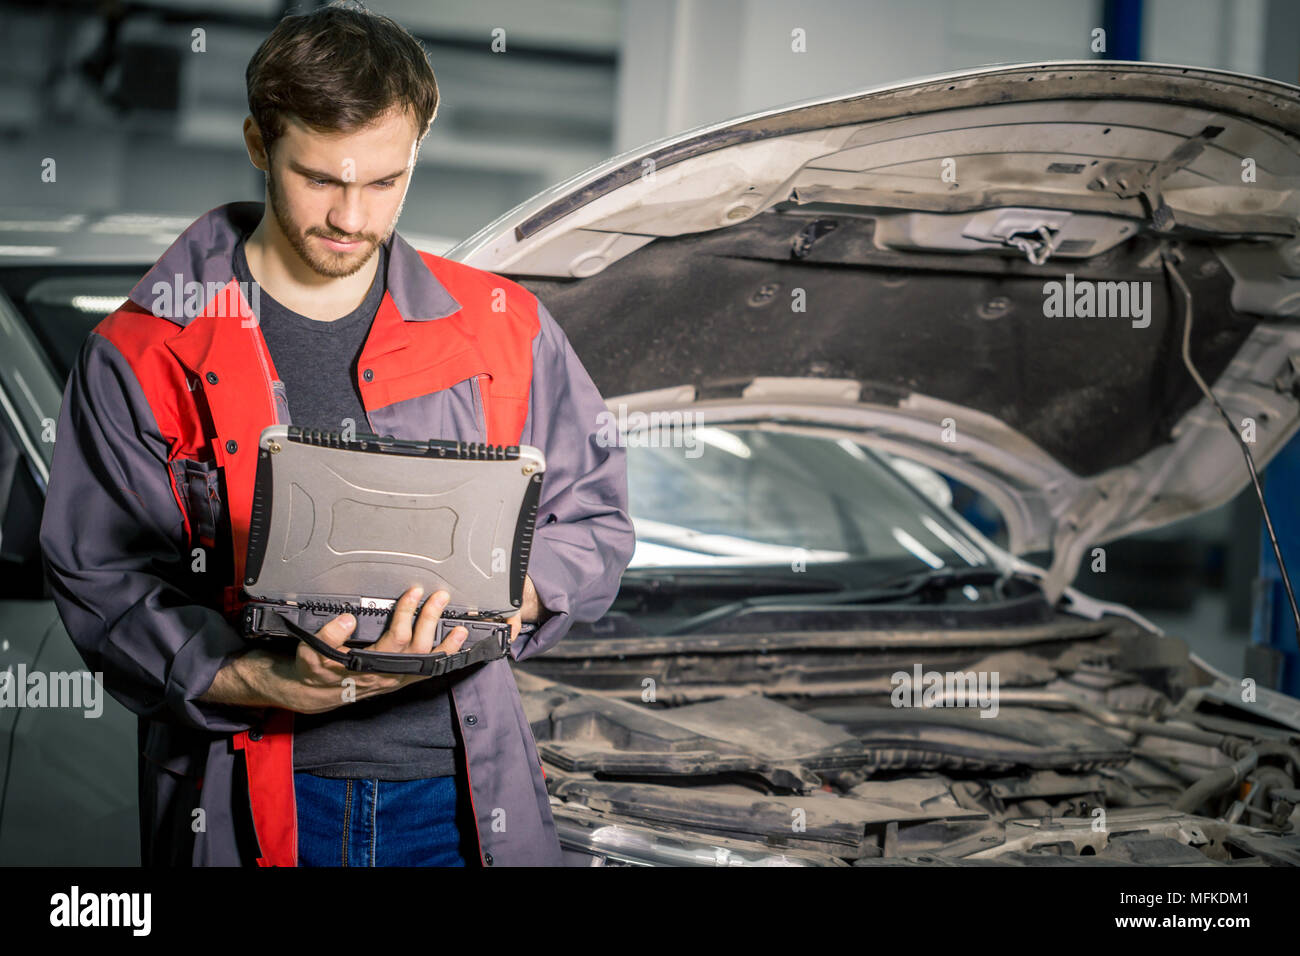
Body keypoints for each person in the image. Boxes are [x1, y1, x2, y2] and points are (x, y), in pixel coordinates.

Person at [38, 2, 634, 867]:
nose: (353, 217)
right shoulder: (146, 351)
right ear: (258, 142)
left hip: (464, 801)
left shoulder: (504, 328)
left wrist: (505, 598)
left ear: (417, 153)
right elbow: (103, 580)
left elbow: (597, 523)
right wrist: (264, 681)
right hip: (252, 796)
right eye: (320, 178)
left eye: (386, 182)